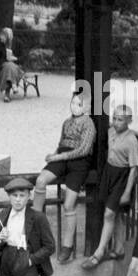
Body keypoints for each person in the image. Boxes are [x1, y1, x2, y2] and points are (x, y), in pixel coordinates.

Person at [33, 91, 97, 264]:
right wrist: (53, 155)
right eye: (73, 103)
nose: (75, 107)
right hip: (62, 156)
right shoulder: (66, 122)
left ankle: (67, 245)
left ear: (87, 107)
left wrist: (58, 157)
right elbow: (61, 143)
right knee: (40, 181)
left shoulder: (89, 124)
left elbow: (83, 150)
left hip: (79, 162)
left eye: (79, 104)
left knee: (69, 204)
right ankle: (34, 222)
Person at [83, 107, 138, 268]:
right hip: (109, 173)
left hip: (122, 177)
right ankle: (119, 248)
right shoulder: (110, 132)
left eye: (120, 120)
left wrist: (127, 192)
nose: (116, 122)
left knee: (109, 214)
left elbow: (134, 169)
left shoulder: (132, 140)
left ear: (129, 120)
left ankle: (99, 252)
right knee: (116, 215)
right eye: (114, 118)